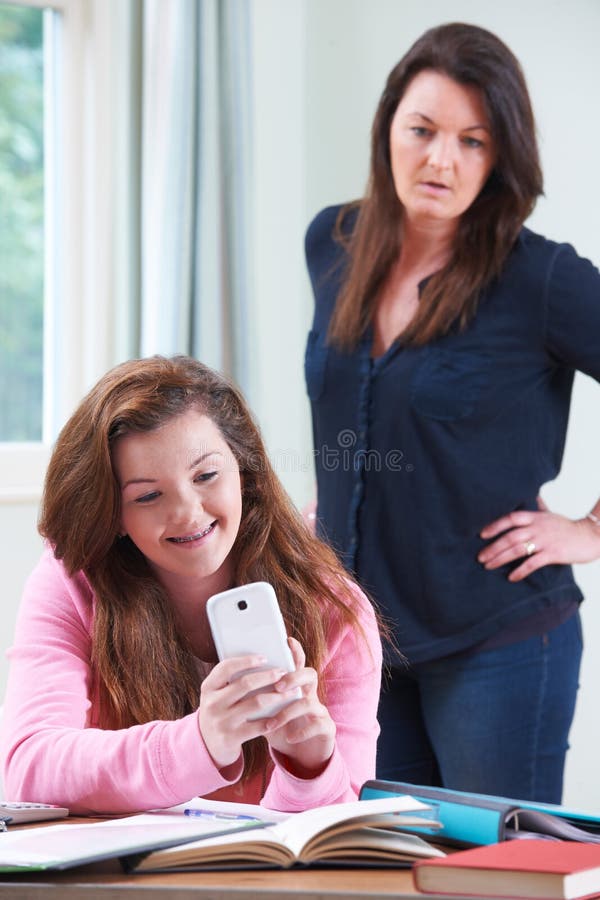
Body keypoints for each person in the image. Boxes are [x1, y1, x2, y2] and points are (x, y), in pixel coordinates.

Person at [304, 22, 600, 803]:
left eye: (473, 141)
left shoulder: (542, 280)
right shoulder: (331, 243)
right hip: (364, 640)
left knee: (498, 883)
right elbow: (357, 406)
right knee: (383, 875)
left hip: (496, 643)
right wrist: (329, 501)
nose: (442, 159)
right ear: (388, 128)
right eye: (424, 130)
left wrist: (592, 529)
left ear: (500, 157)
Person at [0, 355, 382, 815]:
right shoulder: (73, 582)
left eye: (206, 476)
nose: (187, 512)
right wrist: (200, 741)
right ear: (113, 515)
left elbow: (340, 838)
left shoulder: (333, 609)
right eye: (147, 496)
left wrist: (308, 768)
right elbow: (27, 769)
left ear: (245, 471)